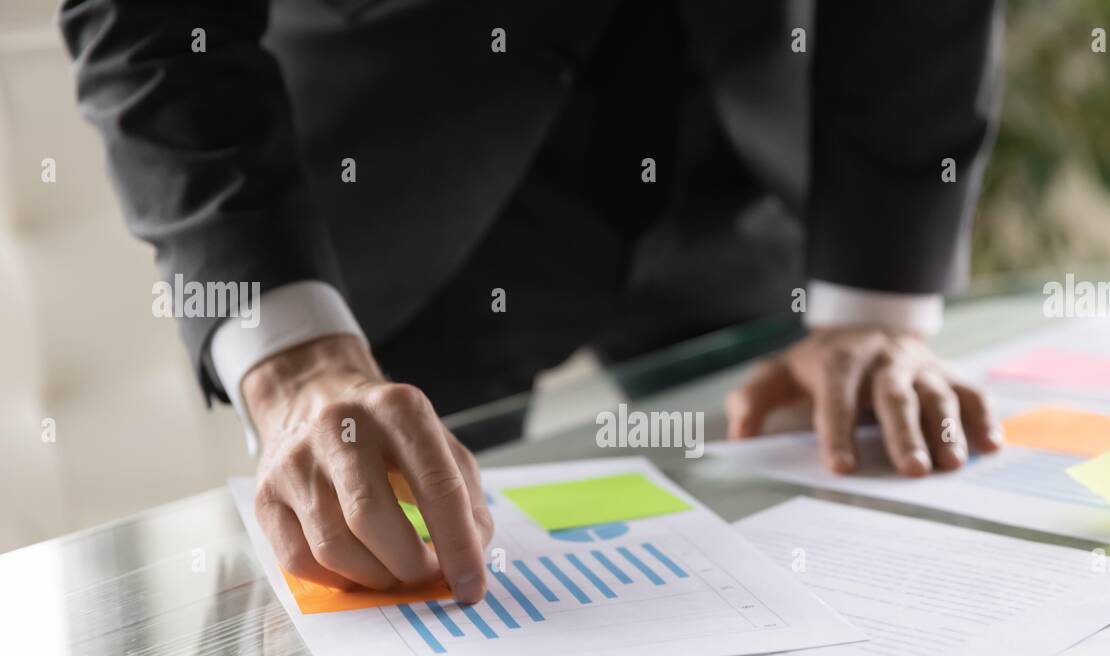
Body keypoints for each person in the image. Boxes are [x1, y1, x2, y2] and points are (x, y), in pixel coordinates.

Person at [60, 0, 1003, 603]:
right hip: (398, 189)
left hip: (743, 168)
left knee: (834, 578)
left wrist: (876, 304)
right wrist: (298, 362)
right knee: (386, 590)